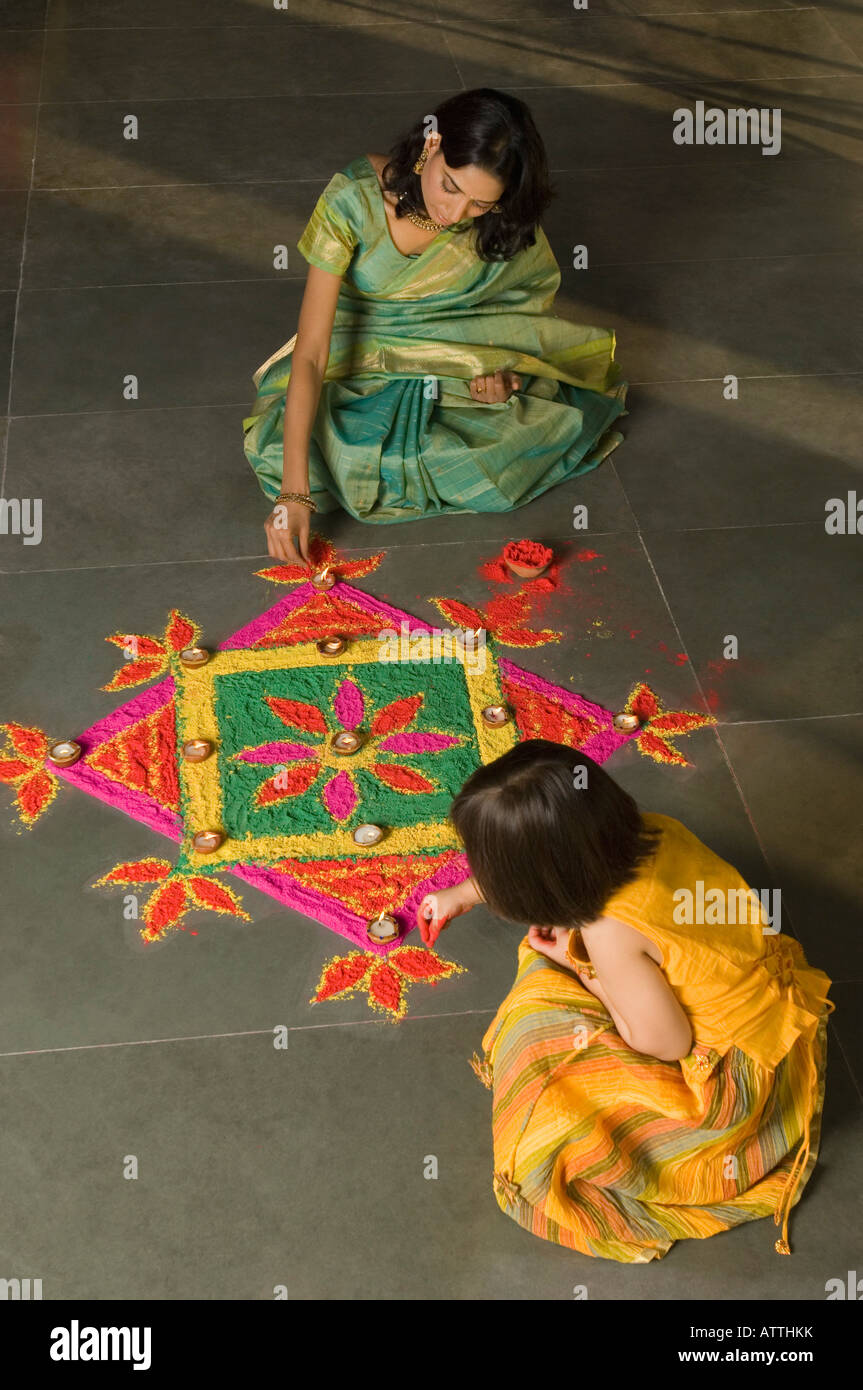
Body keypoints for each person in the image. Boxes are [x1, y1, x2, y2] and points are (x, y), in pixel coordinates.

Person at [416, 739, 835, 1264]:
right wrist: (465, 892)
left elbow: (662, 1040)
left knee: (538, 1015)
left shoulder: (613, 933)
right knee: (557, 955)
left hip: (737, 1077)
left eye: (488, 869)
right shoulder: (650, 830)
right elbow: (554, 851)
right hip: (774, 1006)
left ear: (535, 880)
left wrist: (585, 972)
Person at [242, 88, 629, 563]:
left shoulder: (497, 221)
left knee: (480, 452)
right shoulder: (353, 200)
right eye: (451, 186)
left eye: (480, 204)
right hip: (355, 355)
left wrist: (505, 378)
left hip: (454, 358)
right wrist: (294, 495)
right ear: (431, 145)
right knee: (290, 453)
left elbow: (510, 317)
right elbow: (312, 351)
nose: (456, 213)